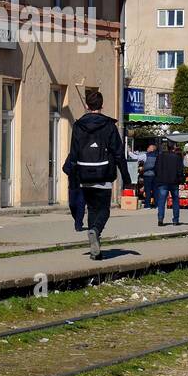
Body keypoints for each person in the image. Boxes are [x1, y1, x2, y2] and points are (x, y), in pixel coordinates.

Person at [68, 90, 133, 260]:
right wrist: (127, 180)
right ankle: (95, 231)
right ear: (101, 106)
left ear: (87, 106)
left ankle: (94, 251)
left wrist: (72, 175)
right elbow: (119, 153)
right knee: (103, 210)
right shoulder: (109, 126)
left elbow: (73, 153)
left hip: (84, 175)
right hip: (104, 175)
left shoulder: (78, 125)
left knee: (92, 209)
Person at [154, 140, 186, 226]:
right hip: (174, 182)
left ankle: (160, 219)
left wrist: (158, 177)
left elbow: (156, 168)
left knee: (161, 201)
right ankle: (175, 220)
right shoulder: (177, 157)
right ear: (174, 147)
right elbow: (180, 170)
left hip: (162, 181)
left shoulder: (160, 156)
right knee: (175, 201)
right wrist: (181, 181)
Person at [61, 153, 85, 233]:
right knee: (72, 205)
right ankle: (77, 220)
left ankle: (78, 224)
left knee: (81, 204)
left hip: (83, 185)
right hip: (73, 184)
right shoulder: (71, 156)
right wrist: (71, 172)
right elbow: (64, 168)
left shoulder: (86, 156)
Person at [142, 142, 158, 208]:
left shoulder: (145, 155)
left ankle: (147, 205)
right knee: (155, 190)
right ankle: (156, 205)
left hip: (147, 175)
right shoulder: (157, 156)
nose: (147, 148)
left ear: (152, 149)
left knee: (147, 190)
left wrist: (129, 152)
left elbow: (136, 157)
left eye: (149, 147)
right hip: (155, 175)